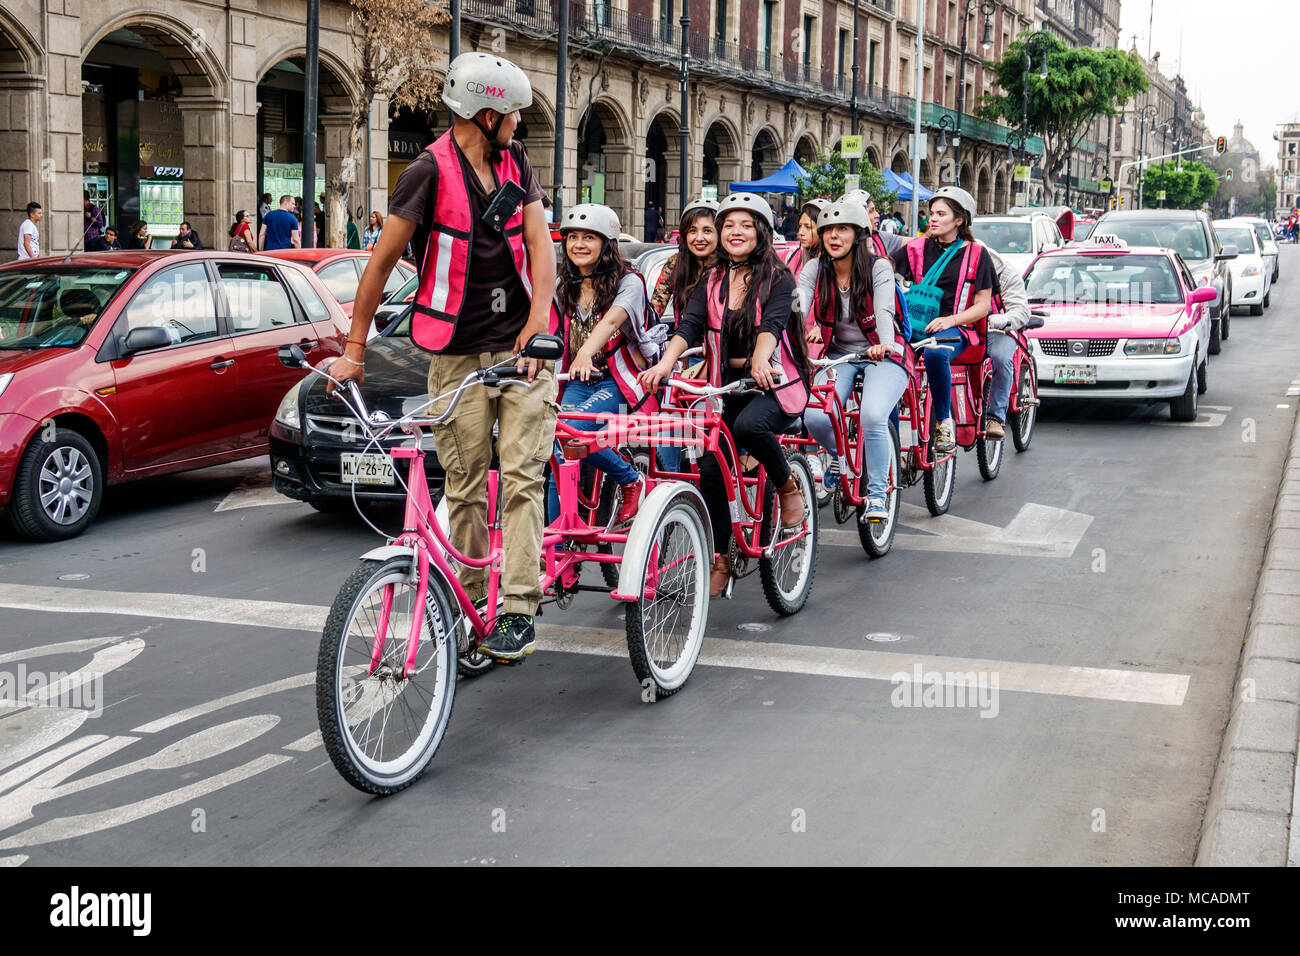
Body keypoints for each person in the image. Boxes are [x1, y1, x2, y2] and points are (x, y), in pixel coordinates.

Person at [329, 51, 556, 662]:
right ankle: (471, 604)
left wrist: (538, 325)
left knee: (520, 478)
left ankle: (517, 609)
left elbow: (540, 244)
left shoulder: (515, 162)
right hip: (454, 355)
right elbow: (377, 267)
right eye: (512, 117)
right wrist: (354, 351)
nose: (517, 127)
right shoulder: (426, 172)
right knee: (463, 484)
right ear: (487, 115)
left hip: (522, 352)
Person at [639, 193, 811, 599]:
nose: (736, 232)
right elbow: (691, 324)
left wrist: (760, 360)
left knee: (751, 426)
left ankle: (787, 488)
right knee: (711, 469)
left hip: (774, 380)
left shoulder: (779, 277)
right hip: (726, 383)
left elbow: (771, 325)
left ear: (761, 232)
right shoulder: (712, 278)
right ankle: (720, 557)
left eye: (745, 225)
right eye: (729, 225)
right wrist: (666, 363)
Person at [547, 203, 662, 525]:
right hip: (575, 380)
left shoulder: (631, 282)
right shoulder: (563, 284)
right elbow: (548, 327)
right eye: (572, 238)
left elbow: (613, 320)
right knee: (560, 448)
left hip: (618, 381)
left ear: (607, 244)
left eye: (589, 238)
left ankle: (630, 479)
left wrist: (585, 352)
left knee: (574, 437)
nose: (579, 245)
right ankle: (559, 539)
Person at [798, 197, 910, 521]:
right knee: (815, 416)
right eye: (828, 229)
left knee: (873, 416)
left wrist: (885, 344)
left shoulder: (879, 267)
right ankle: (840, 455)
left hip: (884, 356)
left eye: (842, 229)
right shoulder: (813, 269)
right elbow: (797, 309)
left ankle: (877, 495)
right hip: (839, 357)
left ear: (859, 233)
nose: (833, 236)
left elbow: (885, 311)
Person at [890, 185, 995, 454]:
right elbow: (882, 272)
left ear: (959, 220)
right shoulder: (915, 248)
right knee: (886, 362)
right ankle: (890, 437)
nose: (932, 218)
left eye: (941, 213)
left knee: (936, 354)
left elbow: (982, 306)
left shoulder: (977, 254)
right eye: (931, 213)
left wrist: (951, 320)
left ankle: (943, 421)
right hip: (915, 327)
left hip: (957, 331)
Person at [980, 245, 1031, 440]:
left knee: (1000, 358)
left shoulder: (1007, 274)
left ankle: (995, 417)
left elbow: (1020, 311)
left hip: (998, 329)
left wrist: (1000, 319)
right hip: (968, 329)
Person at [785, 198, 831, 277]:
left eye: (808, 227)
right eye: (800, 226)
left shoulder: (834, 264)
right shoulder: (793, 256)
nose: (800, 233)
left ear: (823, 230)